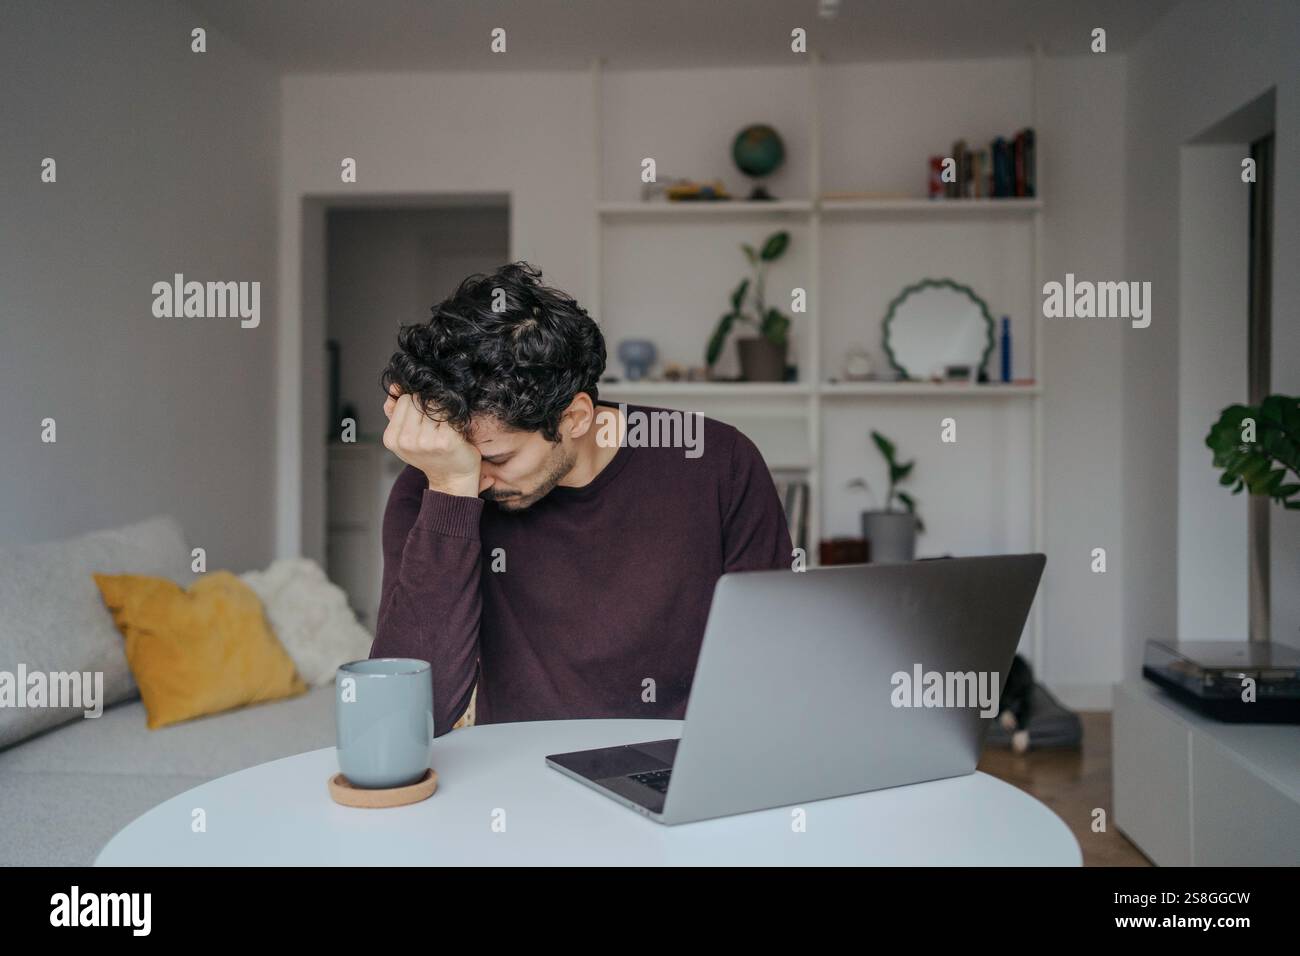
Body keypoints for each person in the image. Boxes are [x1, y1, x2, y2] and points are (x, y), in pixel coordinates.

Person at [371, 261, 792, 736]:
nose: (479, 481)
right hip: (524, 781)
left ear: (575, 417)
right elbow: (402, 720)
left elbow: (769, 661)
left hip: (688, 764)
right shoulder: (439, 483)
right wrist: (448, 495)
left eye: (497, 458)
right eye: (461, 461)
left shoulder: (717, 461)